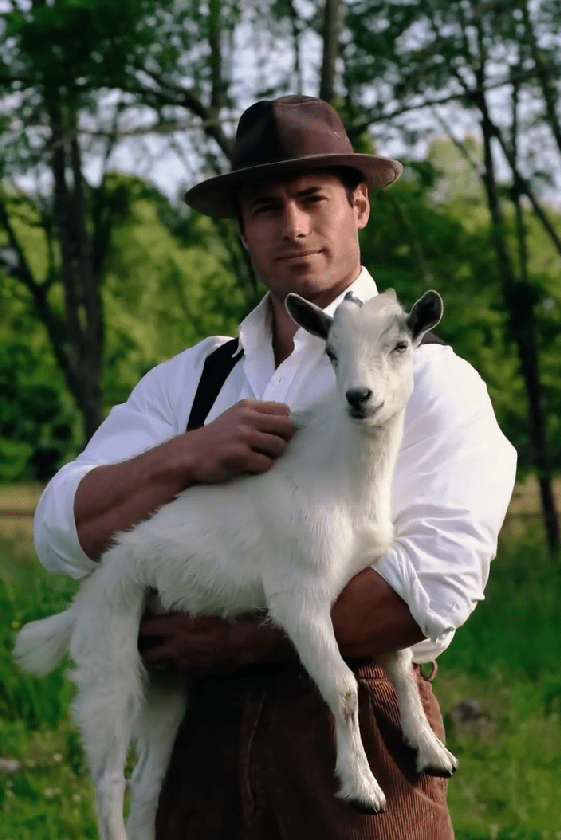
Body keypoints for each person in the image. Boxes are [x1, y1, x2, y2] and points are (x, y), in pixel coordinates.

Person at [34, 95, 517, 839]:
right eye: (265, 207)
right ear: (243, 231)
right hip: (196, 747)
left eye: (312, 198)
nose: (291, 225)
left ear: (359, 206)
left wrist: (238, 640)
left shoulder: (437, 382)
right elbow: (62, 532)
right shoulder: (193, 381)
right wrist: (185, 456)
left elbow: (437, 580)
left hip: (354, 731)